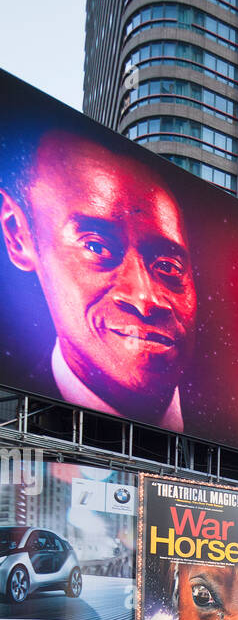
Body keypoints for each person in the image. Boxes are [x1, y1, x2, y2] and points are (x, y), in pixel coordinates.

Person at [0, 126, 197, 429]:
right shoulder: (13, 425)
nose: (145, 299)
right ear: (17, 234)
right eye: (96, 246)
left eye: (168, 266)